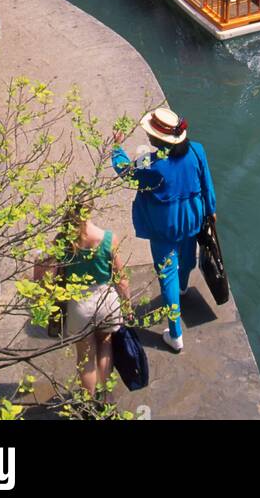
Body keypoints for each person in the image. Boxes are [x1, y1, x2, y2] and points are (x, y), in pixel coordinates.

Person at [112, 107, 216, 353]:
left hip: (164, 227)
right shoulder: (197, 150)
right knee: (188, 256)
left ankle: (175, 334)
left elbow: (127, 173)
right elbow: (207, 184)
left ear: (157, 139)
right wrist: (210, 210)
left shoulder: (153, 163)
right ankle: (183, 285)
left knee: (166, 274)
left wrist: (116, 149)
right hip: (192, 218)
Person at [59, 198, 132, 404]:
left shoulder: (64, 240)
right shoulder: (108, 238)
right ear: (91, 208)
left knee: (85, 357)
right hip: (106, 301)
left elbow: (55, 272)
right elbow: (121, 279)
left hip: (79, 303)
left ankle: (87, 403)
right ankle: (107, 399)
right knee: (105, 345)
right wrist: (127, 306)